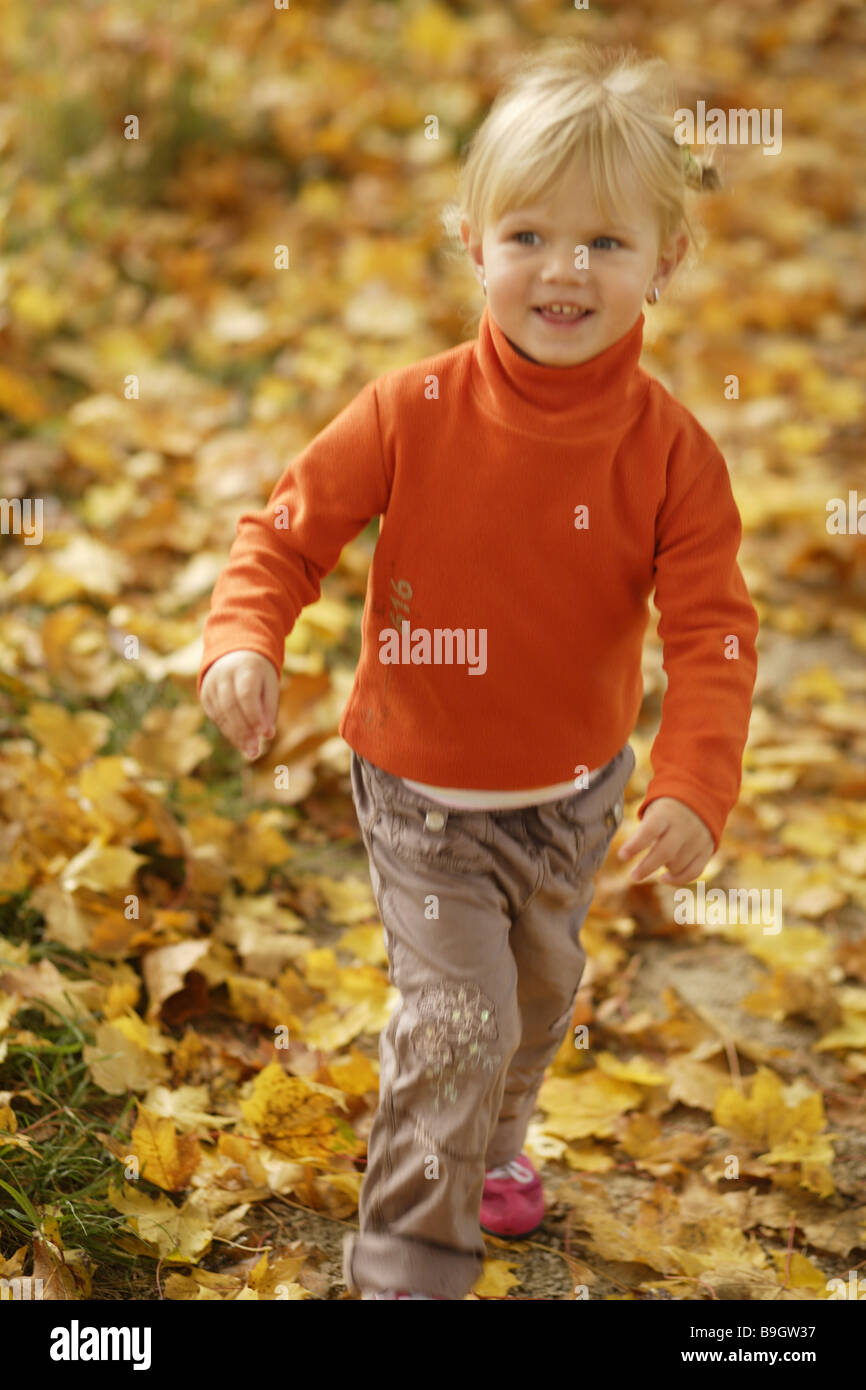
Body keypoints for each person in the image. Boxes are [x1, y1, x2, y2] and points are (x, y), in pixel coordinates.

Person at [197, 39, 759, 1301]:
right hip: (421, 789)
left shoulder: (671, 454)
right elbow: (284, 533)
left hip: (575, 792)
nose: (562, 269)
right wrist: (246, 635)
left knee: (538, 996)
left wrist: (692, 781)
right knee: (459, 1018)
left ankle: (494, 1150)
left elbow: (712, 628)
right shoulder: (410, 411)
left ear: (665, 262)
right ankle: (408, 1260)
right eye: (528, 236)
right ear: (472, 245)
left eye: (604, 244)